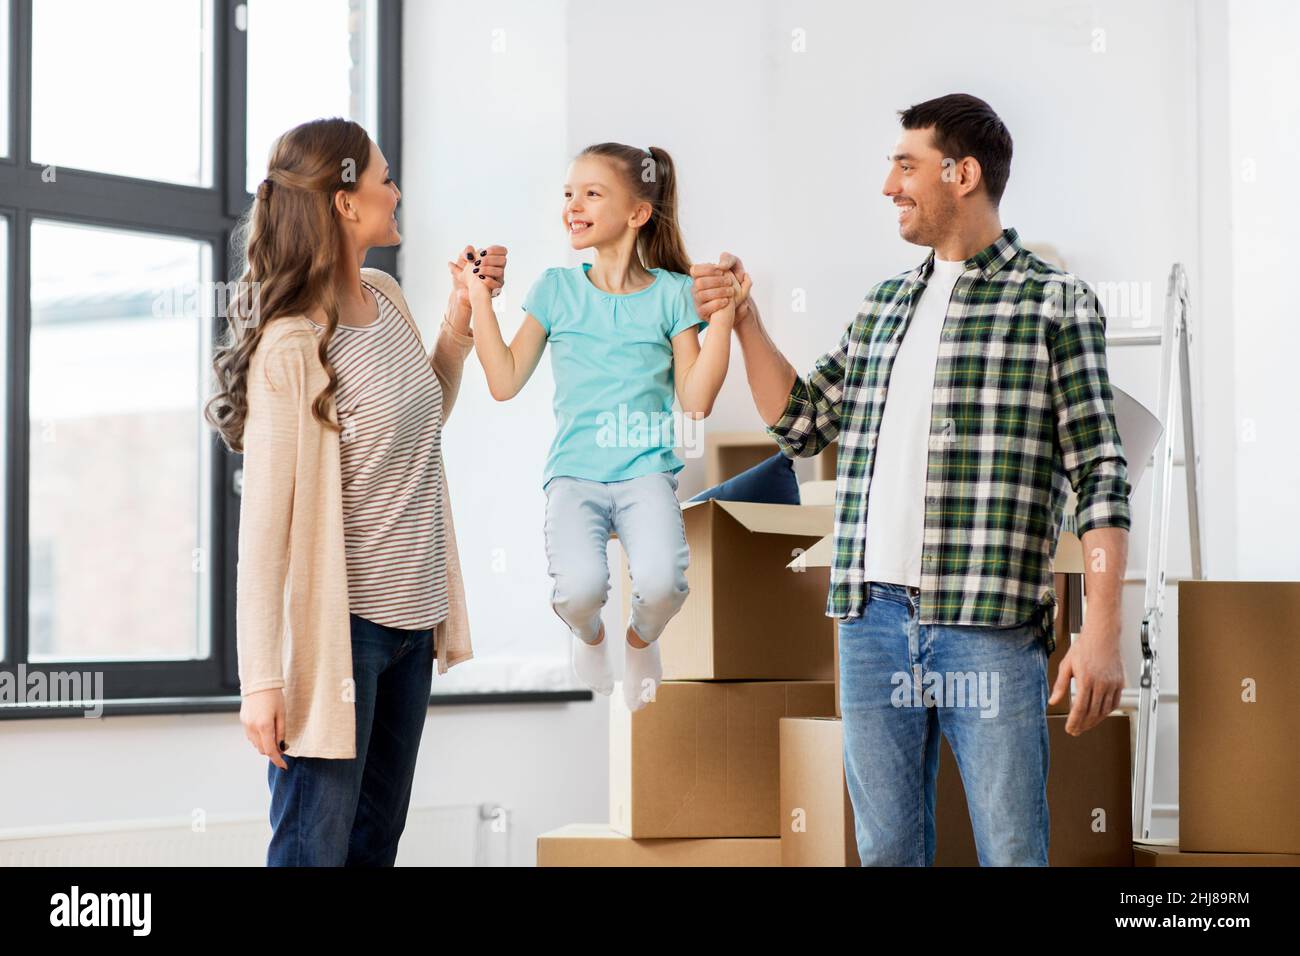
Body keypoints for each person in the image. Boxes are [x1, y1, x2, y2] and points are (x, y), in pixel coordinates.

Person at [691, 94, 1131, 866]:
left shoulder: (1053, 302)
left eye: (905, 165)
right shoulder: (886, 305)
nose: (888, 185)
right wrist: (749, 319)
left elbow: (1100, 472)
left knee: (1012, 851)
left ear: (962, 174)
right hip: (870, 622)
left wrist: (1100, 631)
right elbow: (800, 420)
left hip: (988, 626)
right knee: (887, 852)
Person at [205, 117, 507, 866]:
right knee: (315, 849)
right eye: (383, 177)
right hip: (340, 637)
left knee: (374, 846)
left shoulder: (385, 293)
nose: (395, 190)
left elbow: (422, 411)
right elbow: (264, 533)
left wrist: (461, 318)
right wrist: (260, 685)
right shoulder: (292, 345)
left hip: (411, 625)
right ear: (344, 202)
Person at [465, 142, 746, 712]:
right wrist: (478, 298)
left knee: (665, 582)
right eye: (569, 193)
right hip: (574, 474)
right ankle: (590, 635)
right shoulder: (556, 290)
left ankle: (640, 640)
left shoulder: (672, 294)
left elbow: (694, 402)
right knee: (580, 591)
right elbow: (504, 380)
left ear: (638, 213)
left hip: (645, 472)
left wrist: (721, 320)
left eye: (592, 193)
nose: (574, 204)